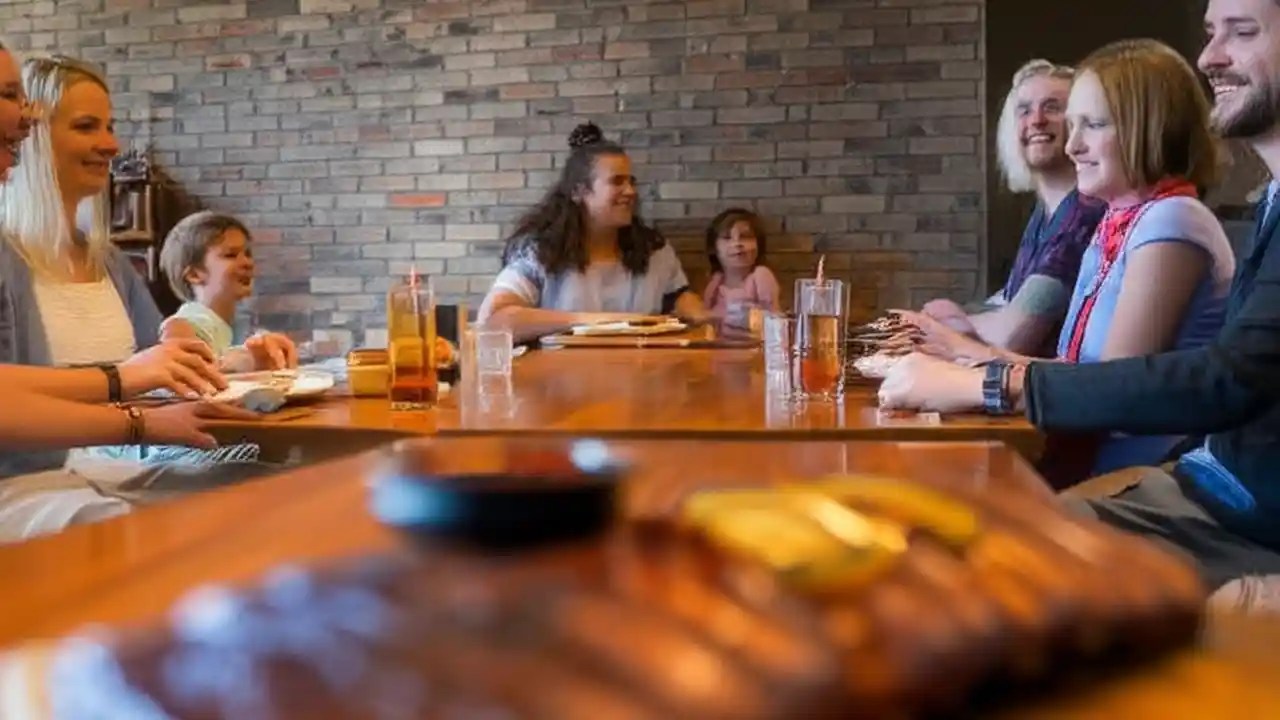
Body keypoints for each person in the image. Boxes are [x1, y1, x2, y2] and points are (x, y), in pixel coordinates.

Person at [880, 0, 1280, 594]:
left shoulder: (1174, 220)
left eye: (1242, 32)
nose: (1209, 57)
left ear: (1145, 123)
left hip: (1237, 515)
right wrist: (968, 363)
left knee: (957, 558)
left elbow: (1221, 381)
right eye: (1210, 33)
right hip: (1204, 485)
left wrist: (985, 379)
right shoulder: (1260, 201)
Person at [895, 38, 1234, 485]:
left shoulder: (1172, 219)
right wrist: (964, 352)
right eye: (1072, 125)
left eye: (1092, 124)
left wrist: (971, 377)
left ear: (1151, 127)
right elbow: (1079, 373)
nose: (1072, 146)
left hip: (1144, 476)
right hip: (1094, 460)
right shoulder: (1118, 223)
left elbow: (1109, 392)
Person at [0, 55, 293, 370]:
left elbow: (163, 371)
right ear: (32, 134)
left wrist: (246, 362)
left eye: (109, 127)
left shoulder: (109, 262)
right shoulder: (7, 259)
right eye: (86, 127)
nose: (111, 145)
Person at [919, 60, 1106, 356]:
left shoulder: (1086, 213)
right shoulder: (1046, 214)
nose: (1036, 120)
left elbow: (1014, 333)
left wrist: (945, 323)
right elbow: (1009, 300)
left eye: (1053, 107)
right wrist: (952, 317)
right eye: (1024, 110)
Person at [478, 122, 706, 342]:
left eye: (631, 181)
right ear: (579, 192)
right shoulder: (541, 253)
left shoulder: (655, 250)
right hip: (558, 378)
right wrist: (596, 322)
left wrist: (702, 313)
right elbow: (493, 320)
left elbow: (678, 297)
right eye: (617, 182)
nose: (630, 191)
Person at [158, 210, 299, 372]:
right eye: (231, 255)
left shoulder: (240, 325)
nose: (247, 262)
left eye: (247, 254)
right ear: (194, 275)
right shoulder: (183, 325)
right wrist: (246, 360)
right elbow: (182, 374)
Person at [701, 208, 780, 325]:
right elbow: (703, 316)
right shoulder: (715, 282)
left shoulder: (760, 276)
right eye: (727, 238)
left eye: (745, 237)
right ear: (714, 247)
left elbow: (773, 317)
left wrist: (715, 317)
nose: (737, 243)